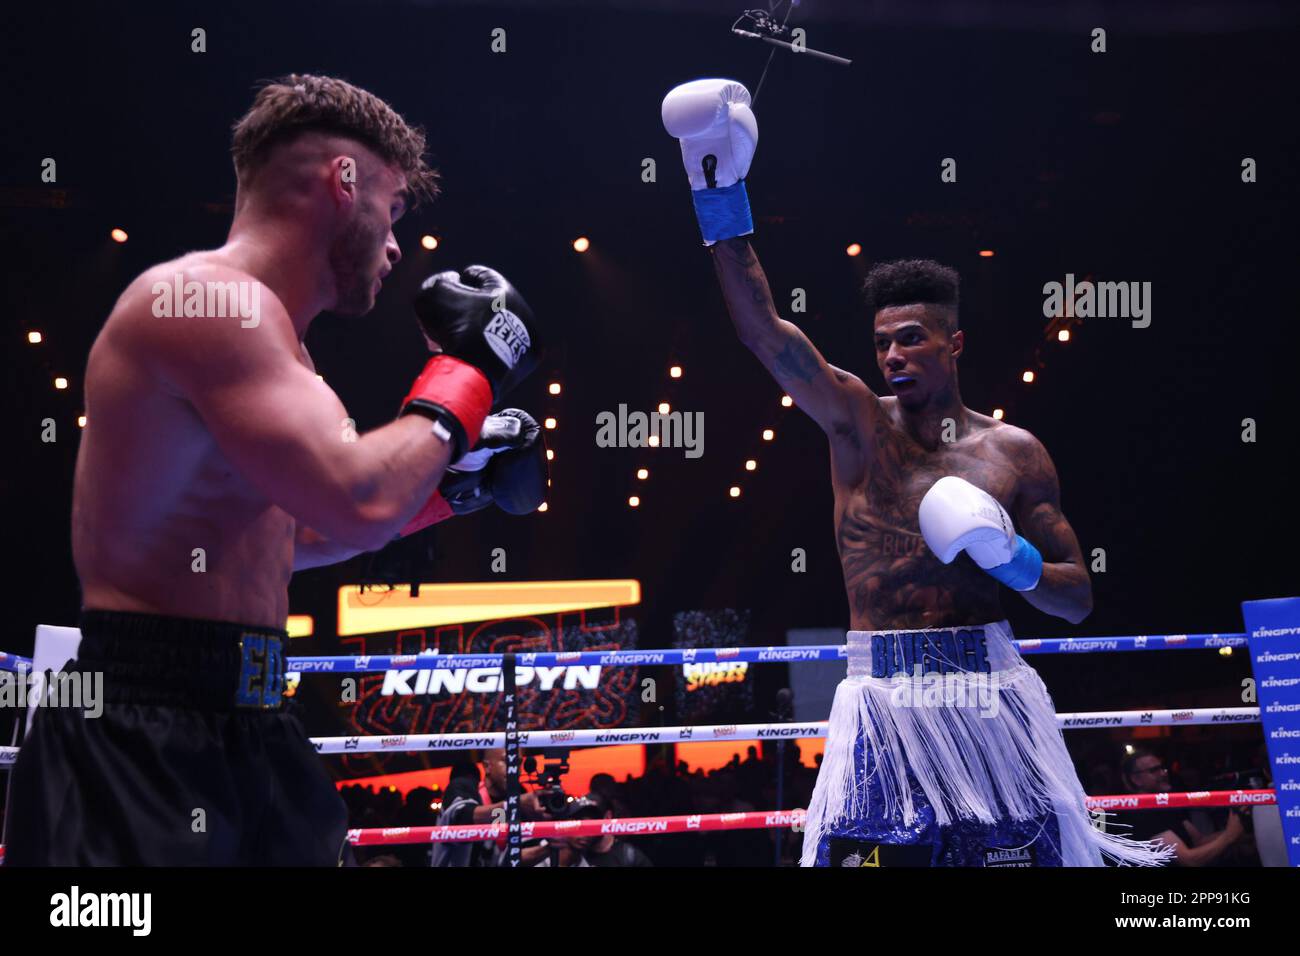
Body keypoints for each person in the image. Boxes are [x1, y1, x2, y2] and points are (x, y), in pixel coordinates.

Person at [6, 74, 544, 865]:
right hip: (141, 730)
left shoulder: (286, 353)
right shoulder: (198, 302)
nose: (396, 244)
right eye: (391, 210)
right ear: (342, 182)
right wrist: (467, 376)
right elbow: (358, 499)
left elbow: (299, 531)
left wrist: (444, 494)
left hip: (250, 712)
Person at [661, 78, 1168, 866]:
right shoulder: (856, 423)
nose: (892, 355)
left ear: (953, 345)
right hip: (883, 691)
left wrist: (1013, 558)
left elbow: (1076, 599)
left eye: (911, 339)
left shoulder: (1015, 452)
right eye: (882, 343)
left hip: (987, 685)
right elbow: (765, 335)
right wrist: (718, 194)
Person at [1114, 748, 1245, 867]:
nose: (1163, 773)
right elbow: (1188, 859)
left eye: (1162, 768)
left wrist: (1240, 827)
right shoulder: (1140, 811)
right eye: (1154, 770)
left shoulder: (1166, 804)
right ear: (1136, 779)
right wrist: (1228, 836)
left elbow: (1199, 841)